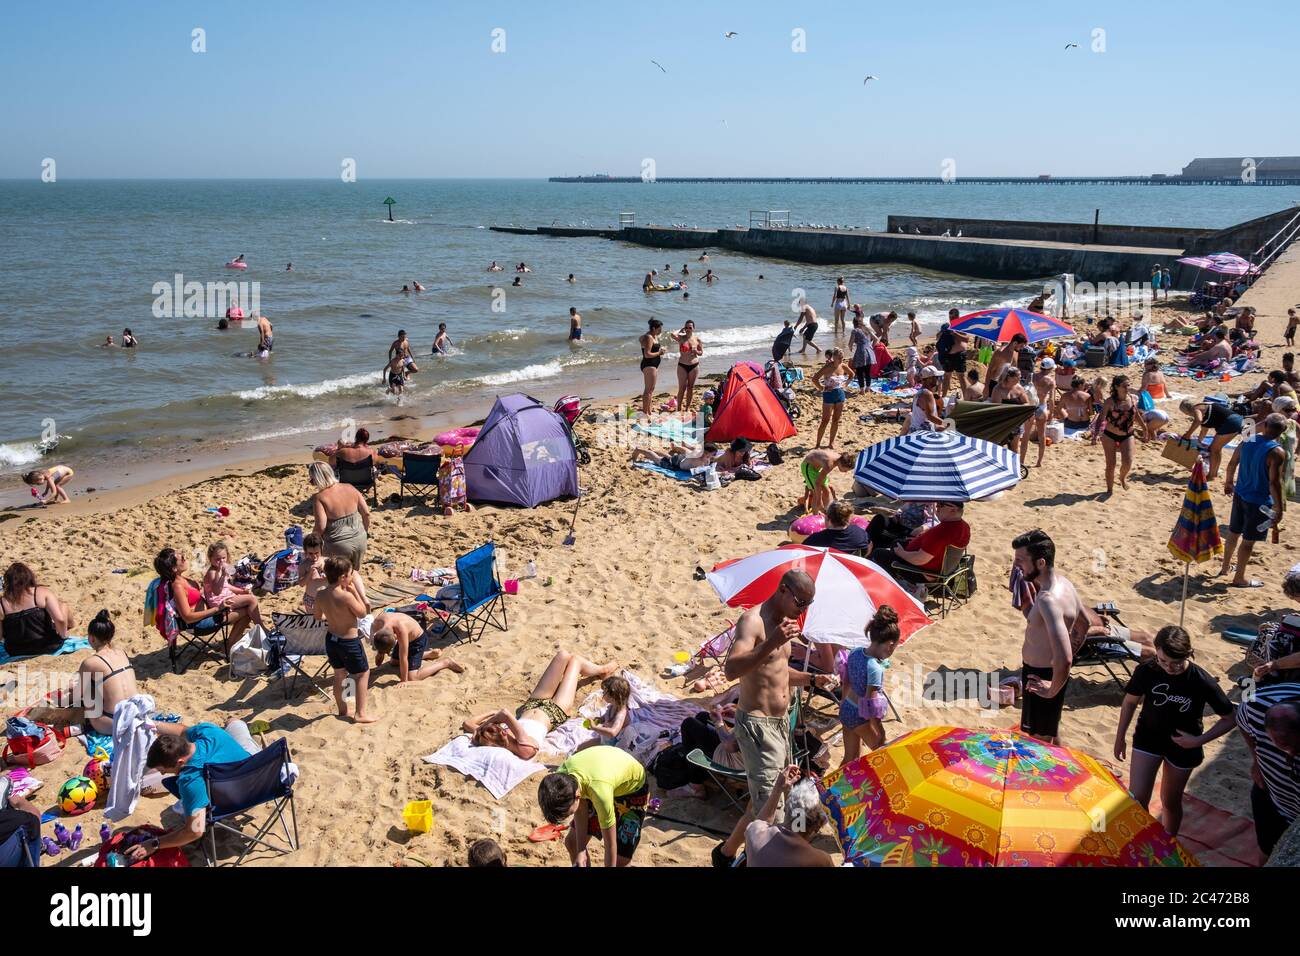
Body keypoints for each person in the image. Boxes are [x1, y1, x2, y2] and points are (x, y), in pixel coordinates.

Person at [711, 570, 815, 867]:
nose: (802, 610)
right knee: (773, 812)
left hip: (781, 726)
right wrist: (771, 642)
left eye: (808, 604)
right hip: (757, 727)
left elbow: (778, 671)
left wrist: (813, 680)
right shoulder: (753, 621)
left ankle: (725, 854)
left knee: (766, 801)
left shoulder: (786, 624)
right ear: (783, 591)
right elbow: (731, 670)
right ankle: (747, 860)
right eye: (800, 602)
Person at [1113, 625, 1235, 837]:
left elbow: (1230, 717)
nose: (1169, 668)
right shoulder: (1147, 670)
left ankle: (1168, 843)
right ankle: (1137, 840)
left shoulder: (1201, 680)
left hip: (1183, 746)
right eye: (1163, 661)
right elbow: (1130, 702)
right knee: (1137, 797)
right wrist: (1120, 737)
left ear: (1188, 655)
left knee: (1169, 801)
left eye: (1176, 663)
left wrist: (1199, 740)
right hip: (1148, 738)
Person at [127, 719, 263, 862]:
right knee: (233, 722)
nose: (162, 774)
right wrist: (152, 723)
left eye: (163, 770)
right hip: (259, 777)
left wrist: (155, 844)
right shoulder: (208, 730)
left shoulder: (190, 780)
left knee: (183, 809)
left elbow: (194, 831)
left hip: (239, 801)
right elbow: (182, 731)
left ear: (180, 762)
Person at [464, 650, 618, 759]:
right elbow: (504, 713)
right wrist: (494, 717)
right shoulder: (524, 748)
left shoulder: (489, 737)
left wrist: (487, 720)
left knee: (563, 655)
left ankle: (599, 670)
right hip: (555, 710)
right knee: (575, 661)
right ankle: (604, 670)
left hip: (533, 704)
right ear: (502, 734)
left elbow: (467, 723)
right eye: (501, 729)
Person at [1013, 529, 1084, 744]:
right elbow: (1084, 624)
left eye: (1021, 560)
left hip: (1041, 677)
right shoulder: (1065, 584)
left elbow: (1066, 658)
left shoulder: (1047, 600)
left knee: (1039, 744)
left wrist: (1051, 690)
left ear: (1041, 563)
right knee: (1050, 732)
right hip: (1047, 674)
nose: (1016, 566)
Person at [537, 744, 649, 868]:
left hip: (632, 788)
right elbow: (581, 809)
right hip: (601, 777)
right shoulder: (561, 778)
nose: (570, 816)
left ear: (577, 796)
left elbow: (610, 844)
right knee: (573, 843)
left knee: (620, 862)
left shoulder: (599, 793)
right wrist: (581, 851)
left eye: (568, 813)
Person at [1220, 413, 1287, 588]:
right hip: (1259, 501)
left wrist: (1228, 481)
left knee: (1233, 532)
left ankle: (1225, 568)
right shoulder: (1277, 451)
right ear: (1283, 431)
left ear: (1265, 425)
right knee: (1248, 541)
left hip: (1240, 494)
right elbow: (1274, 483)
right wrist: (1279, 508)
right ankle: (1239, 578)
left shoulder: (1249, 439)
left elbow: (1233, 462)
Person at [1236, 682, 1300, 858]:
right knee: (1266, 849)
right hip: (1271, 794)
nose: (1291, 754)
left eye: (1297, 747)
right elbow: (1242, 722)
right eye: (1283, 747)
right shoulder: (1255, 704)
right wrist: (1256, 759)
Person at [153, 547, 253, 652]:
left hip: (207, 613)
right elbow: (188, 617)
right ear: (174, 568)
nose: (185, 558)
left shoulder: (184, 580)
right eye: (182, 558)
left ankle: (230, 642)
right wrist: (217, 609)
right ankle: (229, 645)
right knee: (248, 610)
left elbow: (198, 595)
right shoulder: (177, 587)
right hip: (200, 624)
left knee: (245, 605)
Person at [315, 556, 375, 723]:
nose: (352, 576)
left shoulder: (320, 594)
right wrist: (355, 592)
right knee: (362, 674)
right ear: (343, 577)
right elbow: (363, 613)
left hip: (331, 640)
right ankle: (360, 713)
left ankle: (343, 710)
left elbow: (318, 616)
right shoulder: (346, 596)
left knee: (339, 674)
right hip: (349, 642)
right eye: (350, 574)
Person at [838, 606, 901, 762]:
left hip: (846, 708)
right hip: (859, 716)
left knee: (850, 758)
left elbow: (847, 682)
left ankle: (832, 786)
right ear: (890, 645)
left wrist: (843, 703)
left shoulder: (855, 652)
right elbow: (871, 707)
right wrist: (881, 733)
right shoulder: (874, 668)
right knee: (882, 754)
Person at [743, 766, 834, 867]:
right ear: (818, 826)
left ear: (788, 806)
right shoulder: (819, 860)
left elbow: (760, 822)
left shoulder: (755, 833)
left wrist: (777, 789)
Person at [77, 609, 137, 734]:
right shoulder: (122, 653)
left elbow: (79, 694)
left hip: (111, 722)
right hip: (135, 715)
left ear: (92, 638)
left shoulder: (90, 663)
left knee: (88, 691)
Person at [889, 500, 970, 592]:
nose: (937, 507)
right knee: (898, 542)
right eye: (938, 504)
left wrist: (901, 553)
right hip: (943, 571)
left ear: (953, 510)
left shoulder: (943, 532)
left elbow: (920, 559)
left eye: (941, 505)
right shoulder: (963, 526)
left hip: (923, 573)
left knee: (880, 554)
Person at [1, 562, 72, 657]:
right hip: (47, 645)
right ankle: (69, 628)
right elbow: (60, 619)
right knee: (63, 606)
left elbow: (0, 635)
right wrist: (63, 636)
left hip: (15, 650)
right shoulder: (42, 592)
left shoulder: (2, 603)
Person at [371, 610, 464, 684]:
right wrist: (380, 653)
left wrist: (403, 680)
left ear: (395, 636)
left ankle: (445, 663)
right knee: (393, 662)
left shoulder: (401, 630)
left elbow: (403, 658)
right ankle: (429, 654)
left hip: (418, 640)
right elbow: (381, 639)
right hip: (405, 636)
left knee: (412, 677)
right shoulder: (377, 623)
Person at [309, 460, 370, 572]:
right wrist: (365, 532)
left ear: (317, 479)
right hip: (360, 540)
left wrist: (311, 542)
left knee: (335, 579)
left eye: (312, 479)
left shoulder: (320, 498)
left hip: (338, 544)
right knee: (352, 574)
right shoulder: (350, 487)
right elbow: (366, 513)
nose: (311, 482)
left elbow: (320, 527)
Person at [202, 541, 269, 635]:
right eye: (217, 559)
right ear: (210, 559)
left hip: (225, 597)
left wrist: (241, 591)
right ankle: (262, 629)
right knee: (252, 600)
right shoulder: (212, 573)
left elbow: (226, 586)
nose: (221, 561)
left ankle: (235, 639)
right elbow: (217, 591)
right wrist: (223, 575)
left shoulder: (219, 569)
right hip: (219, 603)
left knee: (248, 602)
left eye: (223, 558)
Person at [300, 532, 368, 615]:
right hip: (311, 599)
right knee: (318, 621)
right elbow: (301, 583)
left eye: (317, 553)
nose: (314, 556)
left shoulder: (326, 561)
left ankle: (363, 597)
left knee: (353, 573)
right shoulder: (304, 565)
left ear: (321, 549)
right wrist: (310, 573)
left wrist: (325, 570)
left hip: (329, 597)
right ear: (305, 551)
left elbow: (336, 579)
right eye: (310, 553)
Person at [1099, 375, 1145, 494]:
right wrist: (1095, 434)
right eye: (1124, 386)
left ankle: (1122, 478)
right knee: (1111, 464)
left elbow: (1136, 415)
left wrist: (1145, 428)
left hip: (1128, 434)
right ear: (1116, 387)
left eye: (1128, 385)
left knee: (1128, 462)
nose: (1127, 387)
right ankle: (1109, 490)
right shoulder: (1110, 402)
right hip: (1109, 434)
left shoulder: (1133, 398)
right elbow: (1101, 418)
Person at [1180, 398, 1243, 480]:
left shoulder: (1196, 408)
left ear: (1187, 411)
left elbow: (1198, 420)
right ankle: (1214, 473)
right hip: (1236, 420)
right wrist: (1198, 443)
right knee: (1216, 449)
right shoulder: (1205, 407)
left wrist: (1188, 434)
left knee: (1213, 449)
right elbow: (1203, 431)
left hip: (1230, 422)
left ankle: (1211, 475)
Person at [574, 675, 632, 752]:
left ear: (613, 696)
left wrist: (594, 727)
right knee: (580, 748)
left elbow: (613, 733)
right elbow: (607, 717)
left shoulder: (621, 713)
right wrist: (600, 719)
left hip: (612, 747)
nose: (602, 693)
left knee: (585, 751)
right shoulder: (613, 706)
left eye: (604, 692)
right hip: (605, 740)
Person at [811, 348, 852, 448]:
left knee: (836, 420)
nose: (842, 359)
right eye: (840, 357)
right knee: (825, 420)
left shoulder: (843, 366)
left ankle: (831, 443)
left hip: (840, 395)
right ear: (834, 357)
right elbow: (815, 379)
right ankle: (818, 444)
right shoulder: (827, 367)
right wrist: (822, 388)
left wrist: (846, 384)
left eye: (842, 357)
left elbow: (852, 374)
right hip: (828, 395)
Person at [798, 449, 855, 514]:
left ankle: (827, 511)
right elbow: (817, 483)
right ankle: (815, 515)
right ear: (842, 464)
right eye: (846, 470)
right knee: (816, 495)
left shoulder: (839, 458)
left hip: (817, 466)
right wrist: (819, 501)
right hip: (808, 467)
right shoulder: (829, 464)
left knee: (826, 491)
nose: (846, 472)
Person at [802, 499, 871, 552]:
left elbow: (803, 554)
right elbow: (868, 548)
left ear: (827, 518)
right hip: (852, 568)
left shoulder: (814, 540)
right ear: (849, 518)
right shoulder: (860, 533)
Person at [670, 320, 704, 411]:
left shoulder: (697, 339)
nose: (688, 329)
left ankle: (687, 407)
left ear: (693, 328)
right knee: (682, 387)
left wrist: (696, 351)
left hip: (694, 365)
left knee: (690, 387)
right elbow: (672, 334)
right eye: (686, 327)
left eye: (690, 327)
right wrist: (680, 330)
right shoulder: (681, 338)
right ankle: (679, 407)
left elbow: (701, 353)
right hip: (682, 365)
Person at [628, 440, 722, 472]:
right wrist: (678, 447)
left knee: (669, 457)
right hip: (676, 463)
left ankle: (655, 450)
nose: (706, 456)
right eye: (705, 453)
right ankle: (639, 449)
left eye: (709, 456)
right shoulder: (696, 455)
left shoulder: (707, 460)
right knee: (658, 459)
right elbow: (686, 451)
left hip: (680, 460)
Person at [939, 309, 970, 396]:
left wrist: (955, 333)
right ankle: (944, 396)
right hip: (948, 355)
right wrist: (942, 332)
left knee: (961, 377)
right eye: (950, 317)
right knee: (947, 376)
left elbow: (966, 339)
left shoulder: (961, 326)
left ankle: (966, 397)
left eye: (953, 317)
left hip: (959, 355)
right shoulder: (947, 326)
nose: (951, 319)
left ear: (958, 316)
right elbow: (938, 338)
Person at [638, 318, 664, 416]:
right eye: (659, 329)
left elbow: (640, 339)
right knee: (648, 390)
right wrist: (659, 353)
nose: (661, 330)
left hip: (653, 365)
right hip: (649, 364)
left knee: (651, 389)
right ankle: (645, 412)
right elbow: (647, 354)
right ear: (653, 328)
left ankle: (648, 410)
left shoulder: (652, 336)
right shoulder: (649, 337)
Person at [908, 366, 946, 433]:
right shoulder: (927, 394)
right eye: (936, 377)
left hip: (915, 430)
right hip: (923, 433)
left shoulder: (919, 392)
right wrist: (946, 423)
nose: (938, 379)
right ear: (929, 379)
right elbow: (930, 416)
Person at [848, 313, 875, 396]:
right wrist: (870, 346)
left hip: (861, 351)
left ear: (854, 323)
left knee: (859, 371)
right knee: (867, 371)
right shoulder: (866, 329)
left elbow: (850, 343)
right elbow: (876, 339)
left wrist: (850, 348)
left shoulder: (855, 330)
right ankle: (868, 388)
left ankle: (862, 390)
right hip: (870, 351)